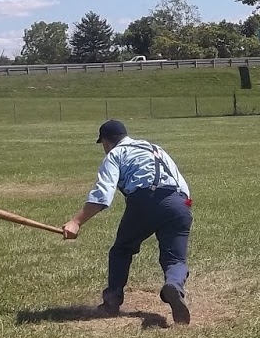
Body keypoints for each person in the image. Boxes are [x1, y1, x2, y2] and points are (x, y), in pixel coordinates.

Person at [61, 119, 193, 324]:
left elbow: (103, 195)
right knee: (175, 259)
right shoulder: (155, 148)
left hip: (145, 201)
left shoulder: (115, 154)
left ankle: (111, 302)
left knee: (121, 251)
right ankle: (174, 285)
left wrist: (76, 222)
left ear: (106, 142)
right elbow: (180, 181)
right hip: (180, 204)